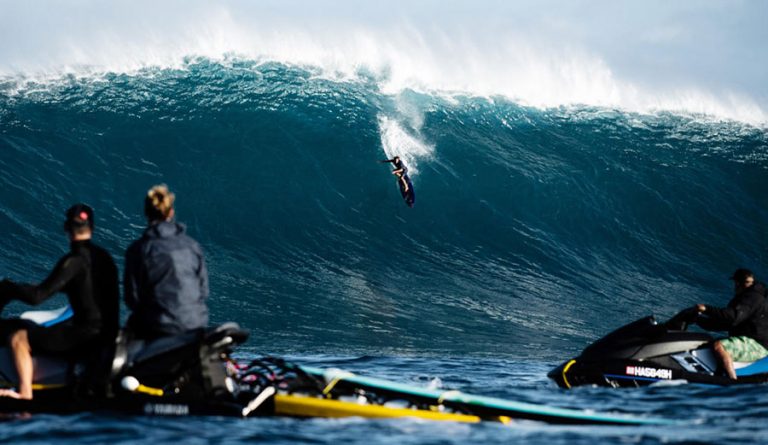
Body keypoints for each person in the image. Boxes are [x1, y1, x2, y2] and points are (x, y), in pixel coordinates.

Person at [0, 204, 119, 399]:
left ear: (66, 229)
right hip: (108, 334)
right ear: (93, 227)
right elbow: (82, 287)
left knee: (18, 337)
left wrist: (11, 289)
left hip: (85, 335)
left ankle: (24, 393)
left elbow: (36, 298)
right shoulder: (105, 258)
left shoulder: (74, 260)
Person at [124, 184, 209, 340]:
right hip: (196, 323)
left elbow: (132, 299)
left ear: (146, 213)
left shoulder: (138, 250)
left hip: (158, 326)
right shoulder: (192, 246)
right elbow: (203, 291)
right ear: (171, 212)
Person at [694, 268, 768, 380]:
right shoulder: (747, 297)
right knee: (708, 344)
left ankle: (732, 382)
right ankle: (716, 375)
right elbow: (725, 323)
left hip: (758, 344)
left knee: (720, 346)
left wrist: (707, 309)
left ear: (737, 283)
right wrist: (698, 319)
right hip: (748, 340)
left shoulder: (752, 297)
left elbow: (732, 317)